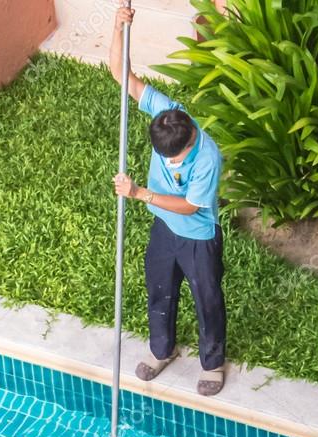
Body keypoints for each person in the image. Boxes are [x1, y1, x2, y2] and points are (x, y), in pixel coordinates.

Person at [110, 2, 226, 397]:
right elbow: (121, 75)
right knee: (159, 287)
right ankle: (162, 349)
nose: (167, 162)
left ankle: (213, 363)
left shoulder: (207, 158)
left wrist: (142, 194)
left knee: (207, 298)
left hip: (197, 235)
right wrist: (118, 27)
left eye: (172, 158)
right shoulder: (169, 115)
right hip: (165, 230)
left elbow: (191, 207)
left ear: (188, 142)